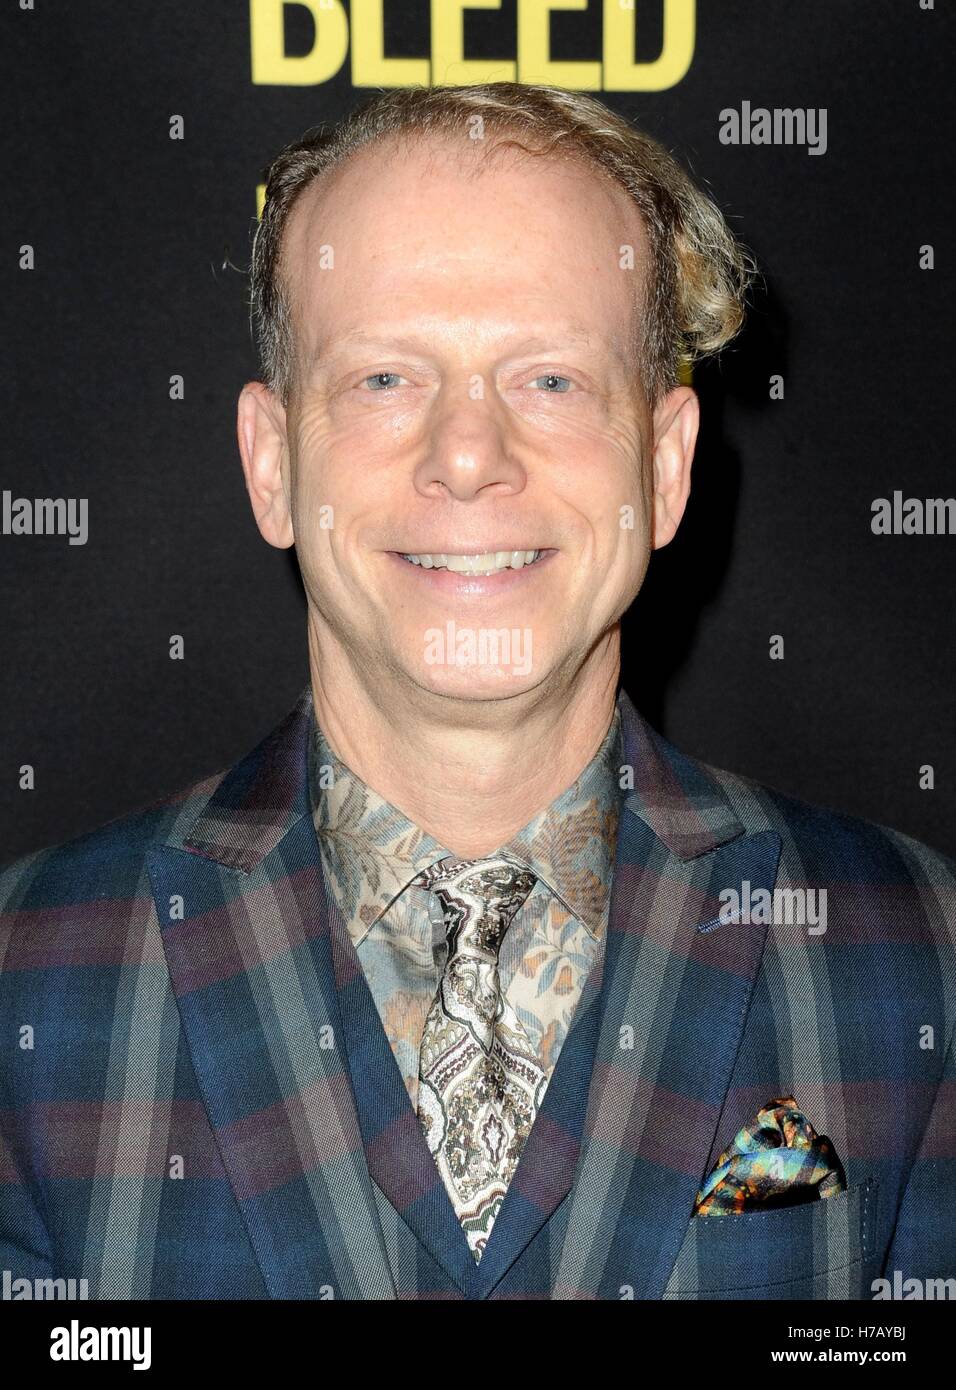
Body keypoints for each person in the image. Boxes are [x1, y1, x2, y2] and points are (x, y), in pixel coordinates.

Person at [1, 83, 953, 1302]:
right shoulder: (31, 982)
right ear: (270, 461)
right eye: (385, 379)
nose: (466, 455)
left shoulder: (914, 959)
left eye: (549, 380)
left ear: (663, 468)